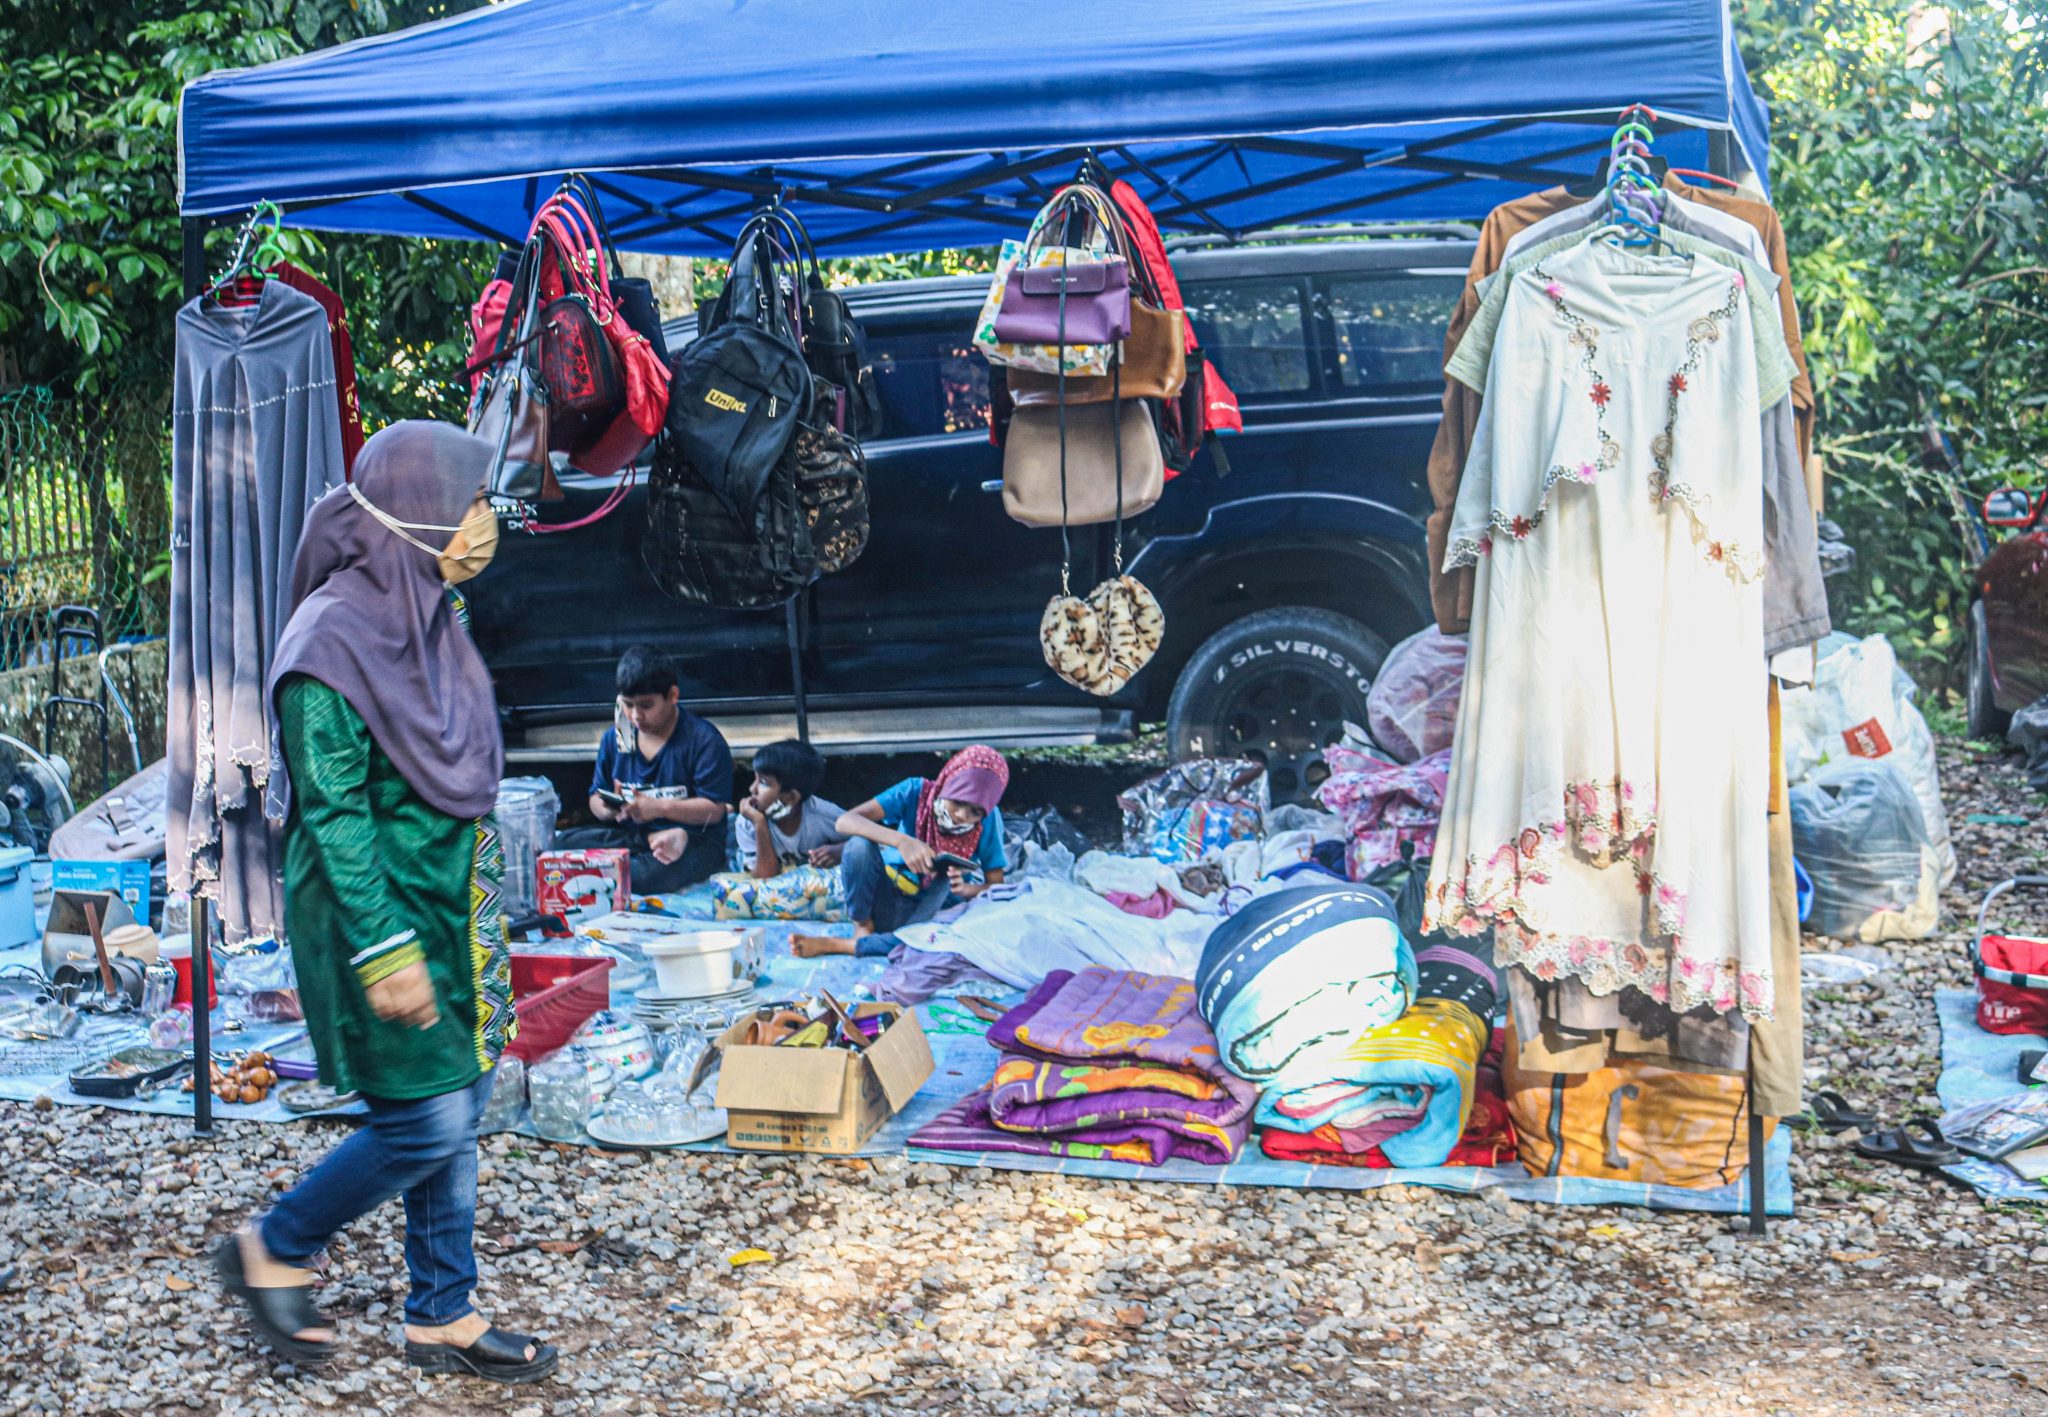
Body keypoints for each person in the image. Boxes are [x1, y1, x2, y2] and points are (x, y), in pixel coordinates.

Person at [213, 421, 556, 1383]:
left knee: (465, 1090)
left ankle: (441, 1311)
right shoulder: (329, 644)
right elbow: (334, 816)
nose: (483, 523)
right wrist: (384, 949)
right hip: (379, 916)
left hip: (450, 899)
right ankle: (273, 1245)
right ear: (414, 517)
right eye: (469, 504)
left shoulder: (427, 607)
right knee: (425, 1120)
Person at [791, 745, 1009, 957]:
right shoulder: (915, 791)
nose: (962, 815)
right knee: (858, 845)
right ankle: (863, 927)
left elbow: (996, 886)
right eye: (957, 802)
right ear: (948, 782)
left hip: (936, 912)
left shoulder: (989, 820)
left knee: (939, 941)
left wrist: (965, 889)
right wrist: (902, 842)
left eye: (975, 812)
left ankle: (842, 945)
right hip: (887, 899)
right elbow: (845, 821)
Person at [556, 645, 733, 892]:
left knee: (643, 876)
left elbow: (714, 810)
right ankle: (614, 867)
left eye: (646, 705)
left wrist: (659, 808)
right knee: (557, 846)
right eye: (628, 705)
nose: (635, 715)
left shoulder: (703, 740)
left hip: (692, 842)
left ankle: (614, 870)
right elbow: (596, 797)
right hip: (636, 837)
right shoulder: (617, 738)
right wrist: (608, 809)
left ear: (673, 696)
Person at [733, 739, 848, 879]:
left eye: (763, 783)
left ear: (791, 797)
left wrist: (840, 851)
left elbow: (869, 842)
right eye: (755, 778)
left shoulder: (823, 815)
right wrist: (759, 824)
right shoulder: (747, 821)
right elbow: (763, 876)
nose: (752, 788)